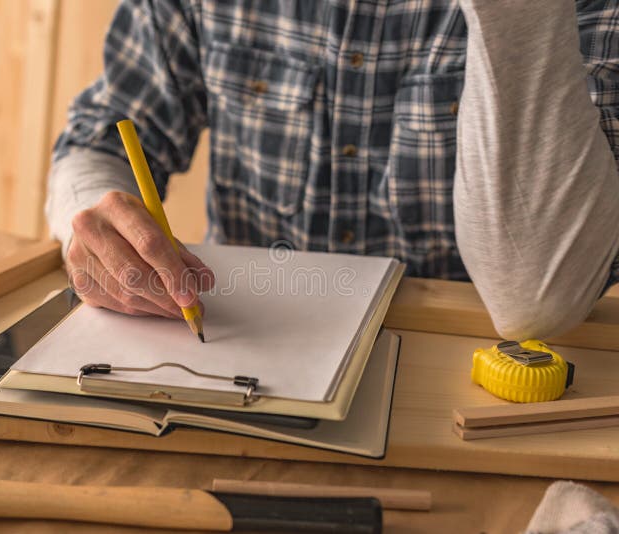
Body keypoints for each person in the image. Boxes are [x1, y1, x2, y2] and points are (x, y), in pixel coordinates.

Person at [47, 0, 619, 340]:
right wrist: (96, 220)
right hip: (241, 351)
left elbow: (537, 300)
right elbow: (100, 138)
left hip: (460, 377)